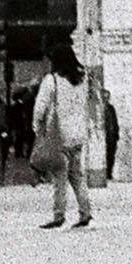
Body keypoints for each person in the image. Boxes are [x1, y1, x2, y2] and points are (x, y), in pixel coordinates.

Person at [30, 40, 95, 227]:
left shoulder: (52, 80)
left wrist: (37, 128)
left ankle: (59, 215)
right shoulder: (83, 79)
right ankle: (85, 212)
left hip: (58, 135)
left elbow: (39, 108)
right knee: (77, 176)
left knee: (59, 176)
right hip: (78, 133)